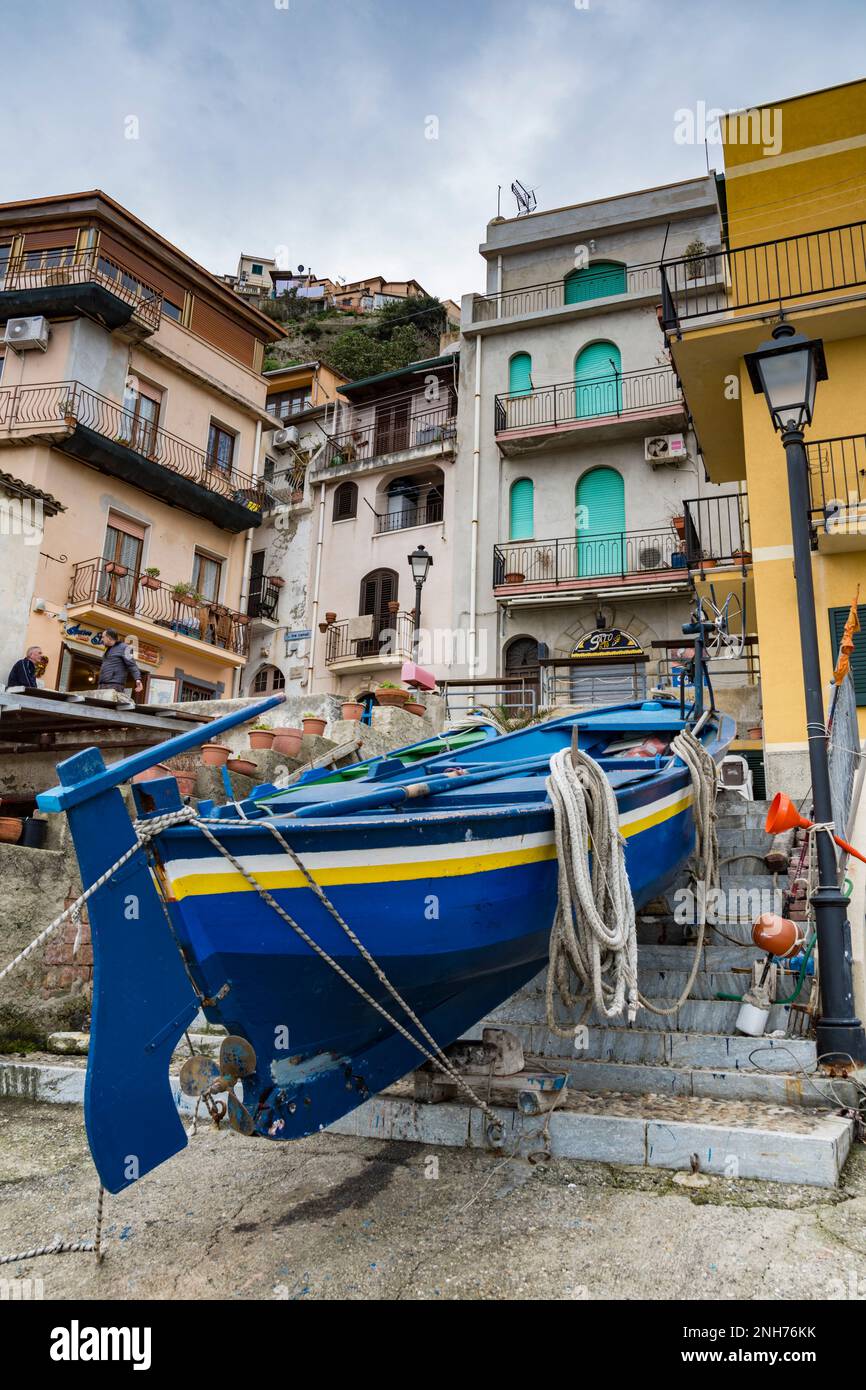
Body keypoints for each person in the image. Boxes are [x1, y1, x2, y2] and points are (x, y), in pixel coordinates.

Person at [97, 629, 143, 696]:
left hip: (115, 685)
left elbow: (132, 665)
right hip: (102, 684)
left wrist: (137, 679)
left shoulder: (126, 648)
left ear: (109, 638)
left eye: (103, 637)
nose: (102, 639)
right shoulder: (108, 649)